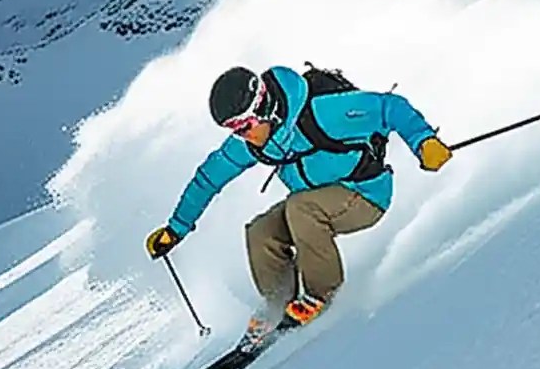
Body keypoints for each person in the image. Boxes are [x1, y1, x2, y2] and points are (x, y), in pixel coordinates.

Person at [145, 64, 452, 349]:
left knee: (300, 208)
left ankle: (322, 294)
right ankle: (278, 304)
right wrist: (176, 229)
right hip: (315, 200)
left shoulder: (321, 112)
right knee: (260, 231)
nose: (242, 134)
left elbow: (389, 107)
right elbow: (208, 178)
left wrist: (423, 140)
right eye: (234, 129)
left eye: (244, 125)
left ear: (264, 108)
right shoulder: (253, 142)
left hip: (365, 194)